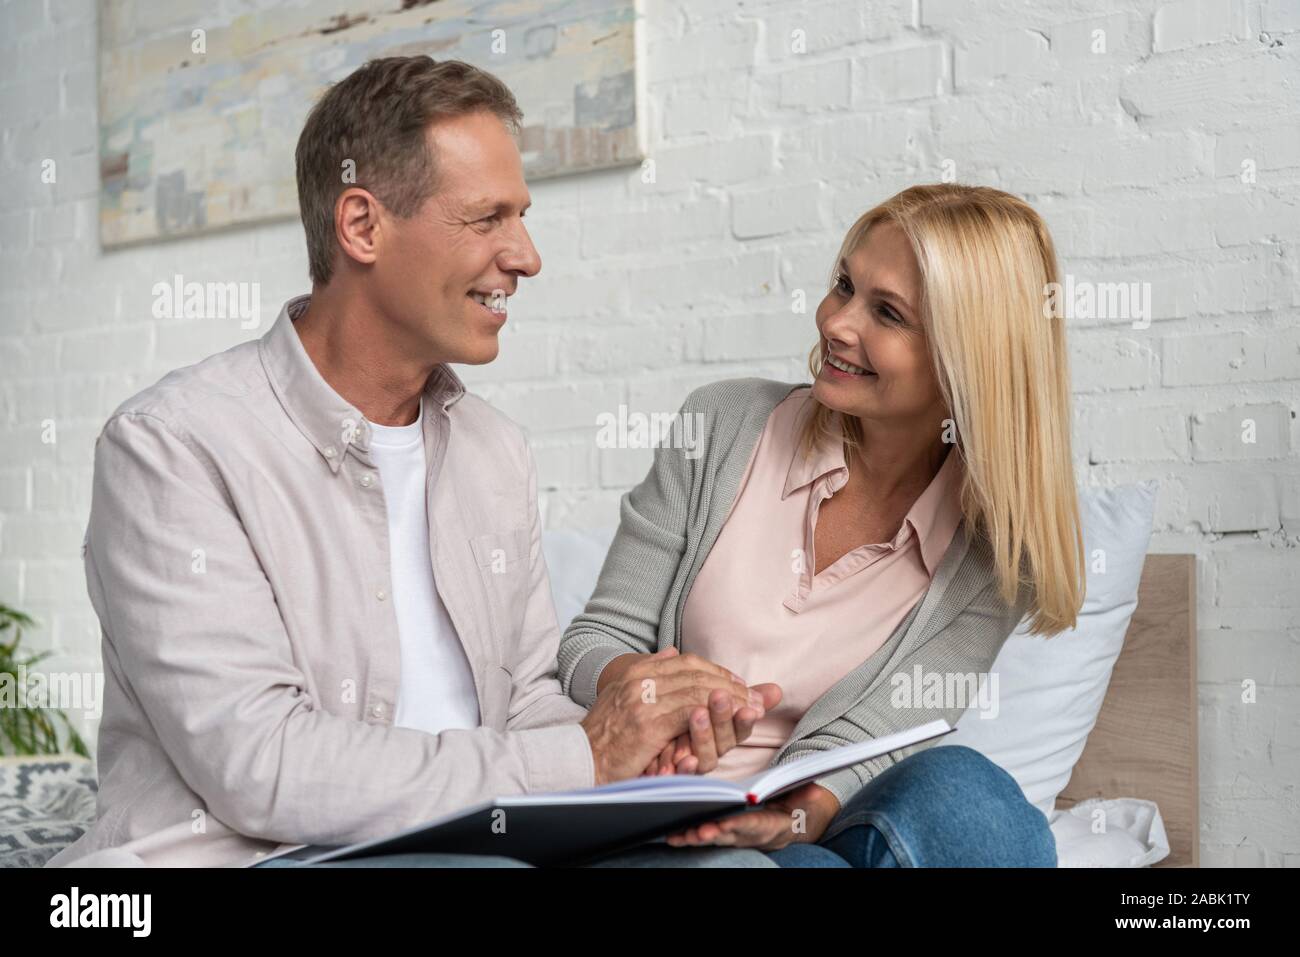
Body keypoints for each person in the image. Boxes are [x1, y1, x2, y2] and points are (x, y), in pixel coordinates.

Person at [46, 56, 778, 870]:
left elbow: (525, 697)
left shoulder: (495, 450)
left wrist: (638, 760)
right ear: (362, 226)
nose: (526, 256)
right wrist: (581, 757)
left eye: (521, 217)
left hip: (489, 841)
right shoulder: (170, 446)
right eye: (487, 218)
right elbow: (259, 764)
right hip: (262, 853)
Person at [559, 184, 1086, 867]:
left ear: (966, 357)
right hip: (655, 824)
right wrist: (660, 692)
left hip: (810, 824)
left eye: (887, 312)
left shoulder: (992, 552)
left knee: (971, 798)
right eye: (844, 285)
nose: (836, 321)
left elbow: (879, 734)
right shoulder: (720, 426)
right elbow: (592, 641)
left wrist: (786, 818)